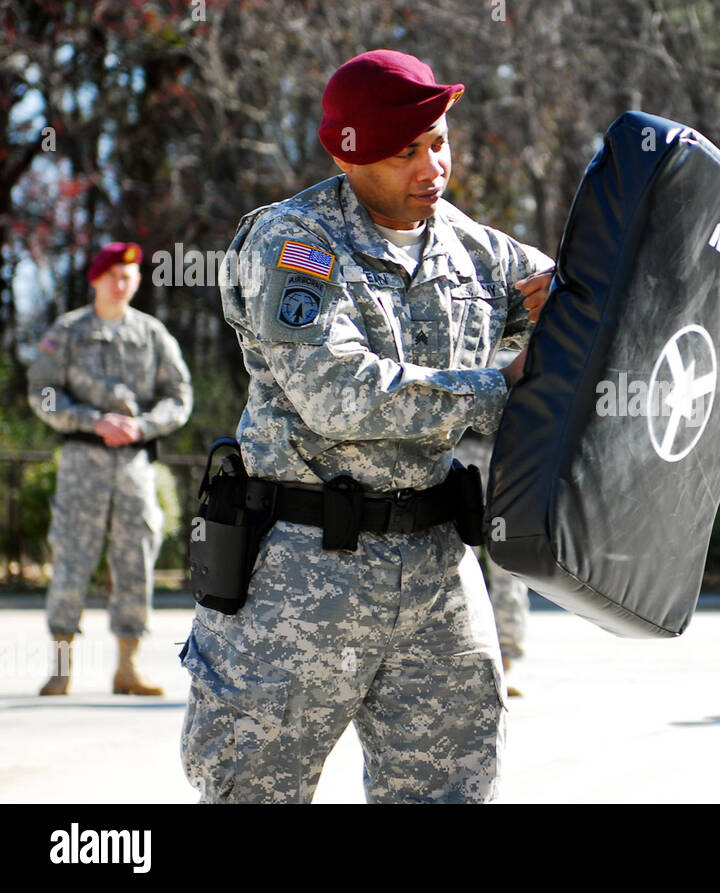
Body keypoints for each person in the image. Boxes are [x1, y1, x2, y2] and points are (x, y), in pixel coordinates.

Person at [179, 49, 554, 803]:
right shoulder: (297, 243)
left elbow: (568, 303)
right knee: (254, 792)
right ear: (348, 155)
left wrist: (583, 302)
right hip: (304, 571)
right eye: (405, 151)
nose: (432, 167)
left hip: (438, 573)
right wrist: (497, 385)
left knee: (451, 790)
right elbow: (338, 393)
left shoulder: (473, 247)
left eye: (440, 141)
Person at [27, 240, 193, 697]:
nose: (123, 283)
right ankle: (61, 668)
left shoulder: (153, 334)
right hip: (83, 460)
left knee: (136, 561)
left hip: (134, 464)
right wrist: (91, 420)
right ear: (96, 279)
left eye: (130, 276)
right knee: (71, 561)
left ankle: (128, 668)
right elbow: (42, 393)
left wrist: (142, 426)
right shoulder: (67, 332)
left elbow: (180, 397)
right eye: (114, 275)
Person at [455, 426, 530, 697]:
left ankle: (504, 661)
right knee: (465, 564)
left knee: (501, 565)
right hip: (485, 450)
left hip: (495, 449)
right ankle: (480, 659)